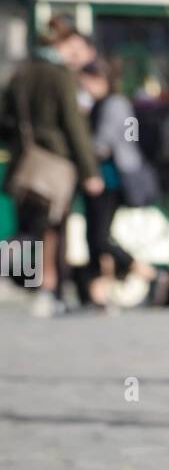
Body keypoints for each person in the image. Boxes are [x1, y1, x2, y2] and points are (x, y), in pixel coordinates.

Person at [0, 33, 104, 317]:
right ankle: (52, 291)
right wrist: (89, 171)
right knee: (54, 228)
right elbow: (73, 124)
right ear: (57, 46)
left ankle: (40, 288)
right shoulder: (60, 76)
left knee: (30, 229)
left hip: (25, 162)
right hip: (56, 163)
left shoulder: (20, 73)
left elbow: (4, 117)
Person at [77, 58, 169, 309]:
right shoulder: (103, 103)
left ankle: (146, 272)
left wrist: (79, 149)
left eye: (86, 80)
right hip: (103, 177)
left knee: (101, 236)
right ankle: (101, 291)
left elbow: (104, 143)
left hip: (110, 179)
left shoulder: (114, 104)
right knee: (97, 236)